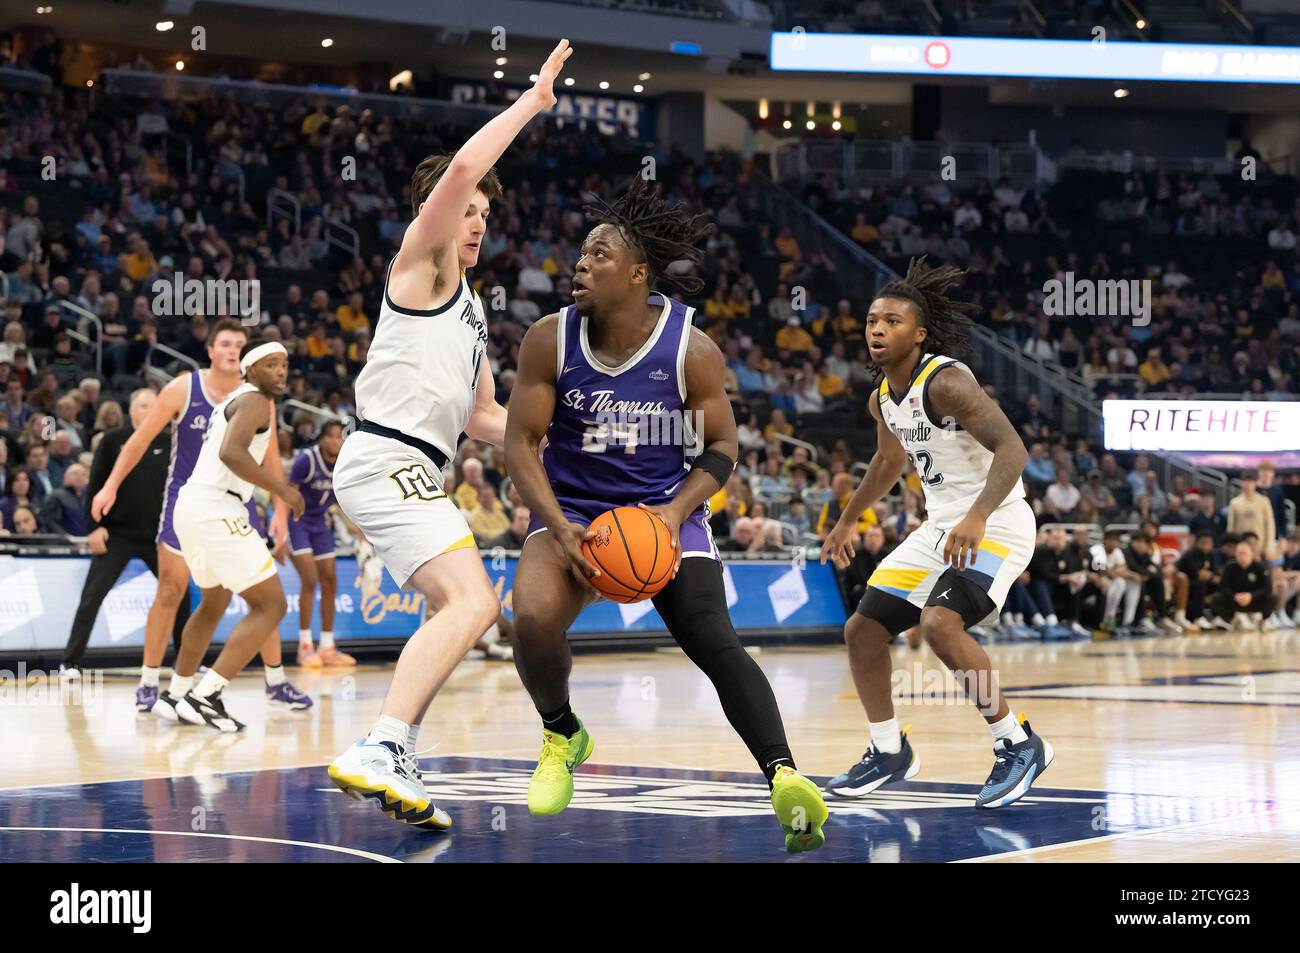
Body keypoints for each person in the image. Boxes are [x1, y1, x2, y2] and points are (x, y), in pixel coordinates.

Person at [504, 176, 828, 853]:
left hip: (665, 511)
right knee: (530, 619)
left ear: (638, 273)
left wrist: (671, 513)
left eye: (598, 254)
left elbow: (723, 446)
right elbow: (518, 445)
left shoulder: (691, 349)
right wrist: (558, 528)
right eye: (581, 253)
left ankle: (785, 776)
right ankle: (562, 730)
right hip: (572, 509)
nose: (581, 264)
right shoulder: (548, 339)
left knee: (715, 639)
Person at [325, 42, 573, 832]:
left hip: (415, 469)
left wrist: (574, 434)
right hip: (384, 452)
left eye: (486, 217)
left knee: (457, 608)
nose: (478, 221)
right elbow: (464, 168)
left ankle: (392, 747)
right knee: (473, 600)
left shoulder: (469, 308)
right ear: (437, 210)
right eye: (469, 210)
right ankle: (382, 741)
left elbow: (485, 419)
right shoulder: (420, 263)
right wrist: (532, 103)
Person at [820, 257, 1050, 809]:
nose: (878, 328)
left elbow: (1013, 448)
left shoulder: (945, 382)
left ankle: (1018, 743)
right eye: (873, 320)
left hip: (997, 520)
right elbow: (886, 461)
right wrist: (848, 518)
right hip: (942, 526)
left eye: (892, 321)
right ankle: (888, 749)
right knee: (863, 630)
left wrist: (976, 515)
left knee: (940, 624)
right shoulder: (881, 397)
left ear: (918, 334)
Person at [91, 318, 306, 713]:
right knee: (201, 593)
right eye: (224, 343)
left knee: (221, 599)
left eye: (238, 344)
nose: (231, 350)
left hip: (226, 503)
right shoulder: (187, 388)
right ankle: (164, 685)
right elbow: (140, 440)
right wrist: (110, 485)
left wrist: (277, 510)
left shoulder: (247, 396)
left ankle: (259, 681)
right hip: (201, 501)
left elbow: (269, 459)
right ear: (211, 350)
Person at [164, 340, 308, 730]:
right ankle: (206, 694)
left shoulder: (240, 398)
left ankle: (177, 694)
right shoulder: (257, 400)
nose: (280, 372)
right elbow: (232, 452)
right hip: (215, 508)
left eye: (285, 365)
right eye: (271, 365)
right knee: (271, 605)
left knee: (213, 602)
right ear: (251, 370)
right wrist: (283, 490)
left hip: (193, 505)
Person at [60, 389, 172, 676]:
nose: (148, 409)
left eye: (153, 405)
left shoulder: (170, 442)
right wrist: (94, 528)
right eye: (143, 405)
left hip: (156, 536)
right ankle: (70, 662)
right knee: (91, 597)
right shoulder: (113, 441)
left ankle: (185, 664)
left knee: (178, 594)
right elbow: (94, 484)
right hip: (116, 534)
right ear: (132, 410)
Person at [286, 420, 355, 668]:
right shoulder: (306, 459)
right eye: (331, 436)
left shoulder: (344, 463)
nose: (336, 440)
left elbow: (341, 503)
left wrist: (356, 529)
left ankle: (327, 646)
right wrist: (282, 531)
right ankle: (304, 647)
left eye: (340, 436)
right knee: (310, 579)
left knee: (330, 580)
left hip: (321, 523)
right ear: (321, 439)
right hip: (298, 521)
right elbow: (287, 492)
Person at [1210, 537, 1276, 631]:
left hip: (1253, 600)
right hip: (1236, 601)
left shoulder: (1259, 567)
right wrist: (1234, 596)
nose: (1242, 557)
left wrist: (1252, 596)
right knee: (1216, 598)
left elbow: (1267, 587)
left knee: (1272, 598)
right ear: (1235, 555)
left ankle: (1263, 619)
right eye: (1239, 554)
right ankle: (1231, 619)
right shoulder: (1230, 567)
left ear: (1251, 554)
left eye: (1244, 553)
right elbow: (1223, 586)